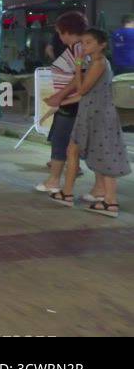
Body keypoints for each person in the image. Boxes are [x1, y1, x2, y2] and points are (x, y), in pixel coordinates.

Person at [50, 29, 131, 217]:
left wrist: (77, 67)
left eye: (89, 43)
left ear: (101, 45)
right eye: (83, 42)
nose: (84, 46)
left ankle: (110, 202)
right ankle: (68, 193)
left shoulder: (99, 63)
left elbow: (82, 89)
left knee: (104, 154)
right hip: (91, 113)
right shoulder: (95, 62)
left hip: (99, 115)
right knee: (73, 149)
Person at [38, 12, 89, 194]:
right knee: (67, 144)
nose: (59, 36)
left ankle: (54, 181)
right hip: (69, 101)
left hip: (71, 103)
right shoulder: (79, 47)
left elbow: (79, 75)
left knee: (61, 141)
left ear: (67, 32)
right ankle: (61, 182)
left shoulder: (78, 48)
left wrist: (61, 97)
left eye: (60, 32)